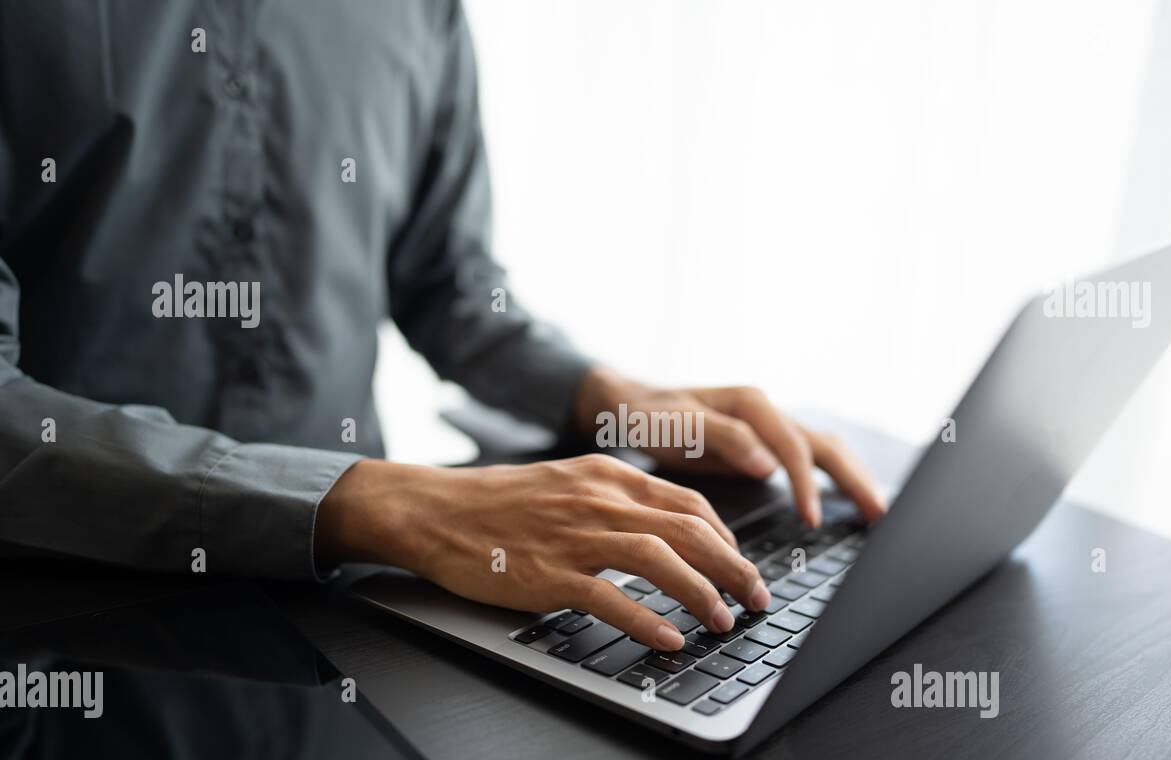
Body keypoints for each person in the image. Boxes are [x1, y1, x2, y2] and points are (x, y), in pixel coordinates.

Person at [0, 0, 884, 652]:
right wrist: (390, 504)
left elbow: (448, 283)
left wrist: (613, 398)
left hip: (355, 609)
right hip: (68, 617)